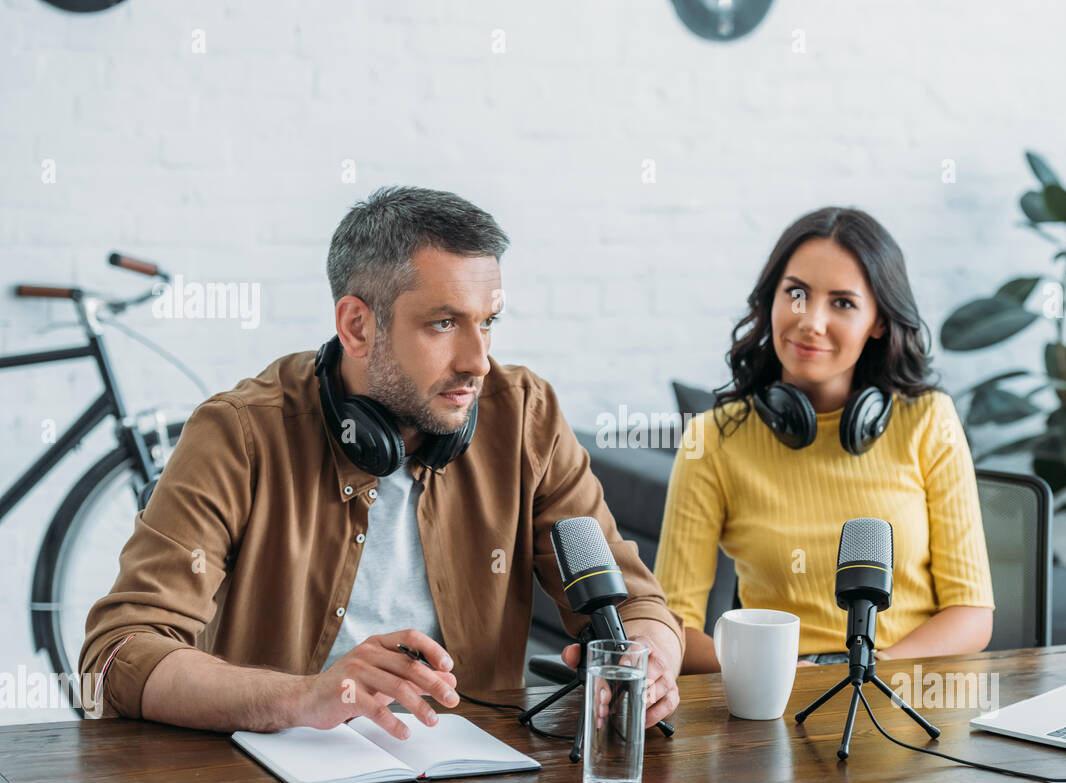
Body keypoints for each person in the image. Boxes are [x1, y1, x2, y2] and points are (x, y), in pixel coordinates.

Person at [80, 186, 683, 739]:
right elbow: (118, 654)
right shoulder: (239, 433)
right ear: (357, 325)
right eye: (444, 323)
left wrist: (649, 658)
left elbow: (635, 603)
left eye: (488, 323)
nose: (478, 361)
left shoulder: (526, 416)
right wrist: (303, 698)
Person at [654, 206, 994, 673]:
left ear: (878, 321)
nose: (811, 321)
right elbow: (671, 628)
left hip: (907, 697)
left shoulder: (928, 420)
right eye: (796, 293)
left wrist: (865, 676)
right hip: (775, 701)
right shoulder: (714, 439)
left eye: (843, 302)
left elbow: (972, 615)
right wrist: (783, 673)